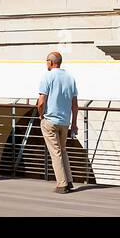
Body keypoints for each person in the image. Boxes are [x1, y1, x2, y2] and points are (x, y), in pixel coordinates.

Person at [37, 51, 78, 193]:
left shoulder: (47, 77)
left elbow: (41, 102)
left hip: (50, 120)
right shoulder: (70, 78)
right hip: (65, 121)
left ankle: (62, 184)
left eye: (46, 60)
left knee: (55, 153)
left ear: (50, 62)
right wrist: (74, 123)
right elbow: (75, 105)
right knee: (63, 150)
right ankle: (69, 180)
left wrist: (41, 115)